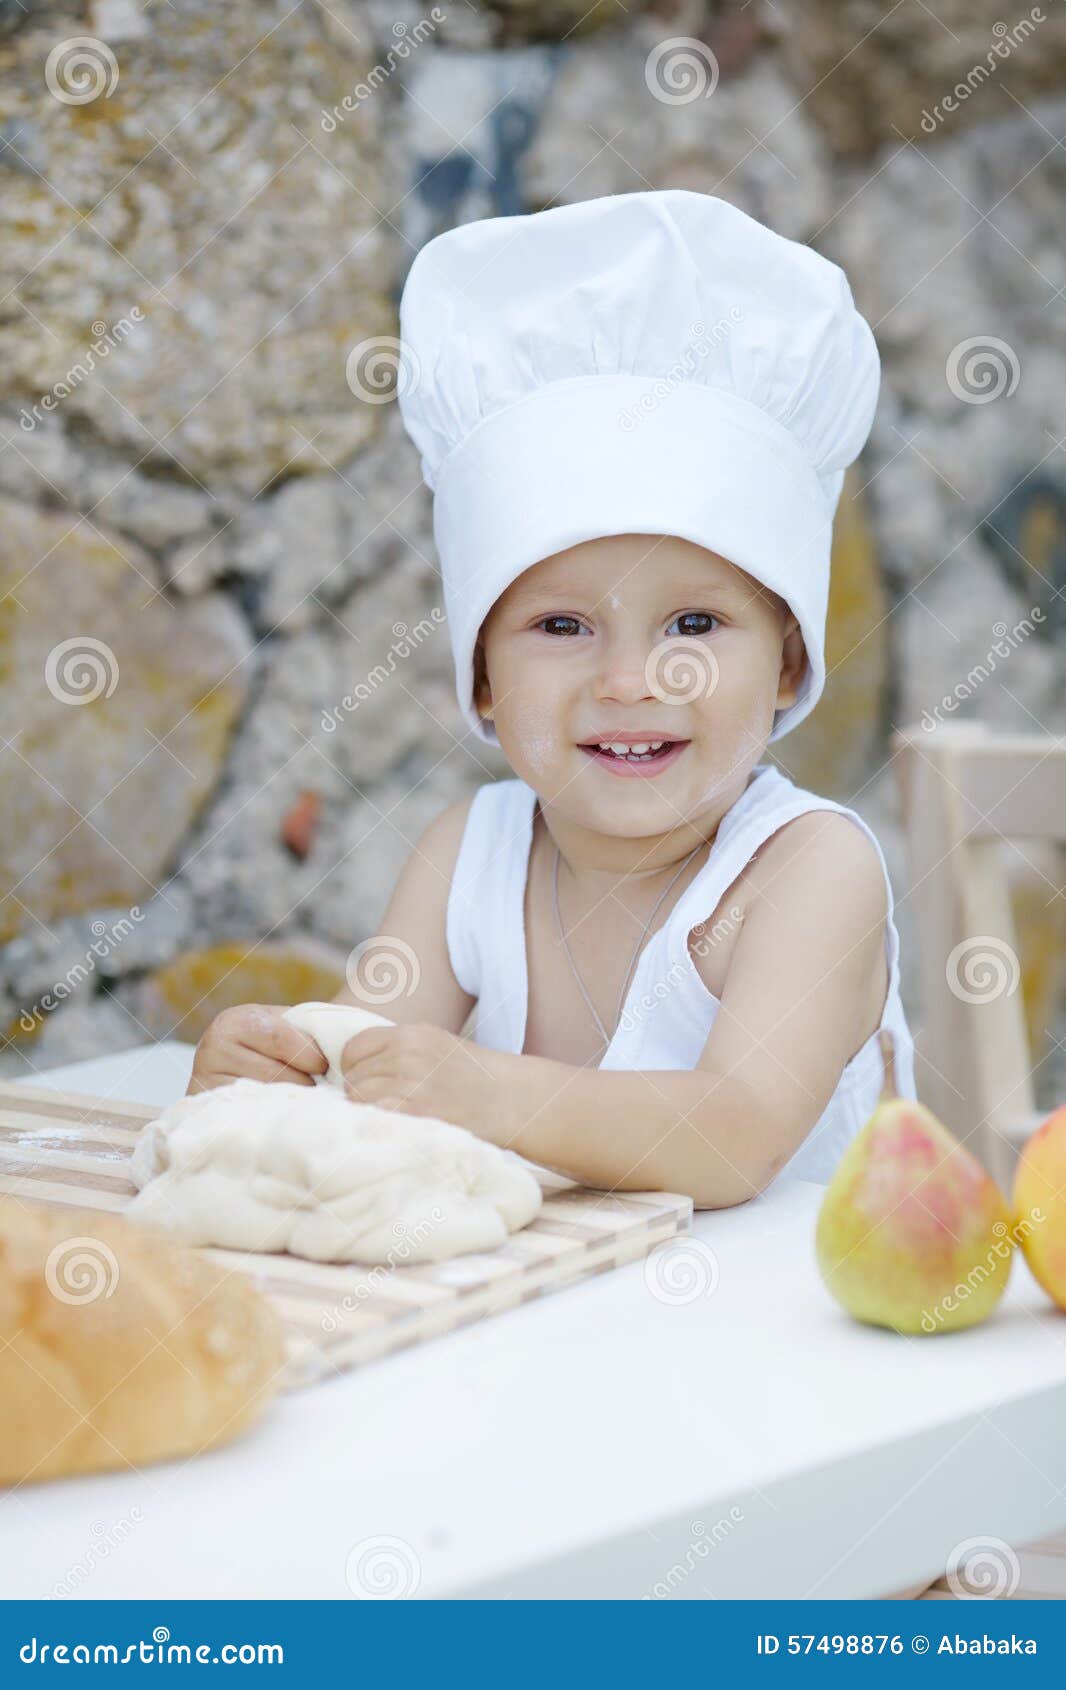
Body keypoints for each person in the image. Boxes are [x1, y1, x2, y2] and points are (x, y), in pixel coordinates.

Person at [190, 190, 917, 1208]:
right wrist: (270, 1086)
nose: (630, 680)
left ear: (790, 664)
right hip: (546, 1338)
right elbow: (366, 1068)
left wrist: (486, 1088)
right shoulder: (468, 856)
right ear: (480, 679)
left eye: (695, 624)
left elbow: (736, 1134)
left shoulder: (808, 871)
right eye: (562, 627)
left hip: (792, 1347)